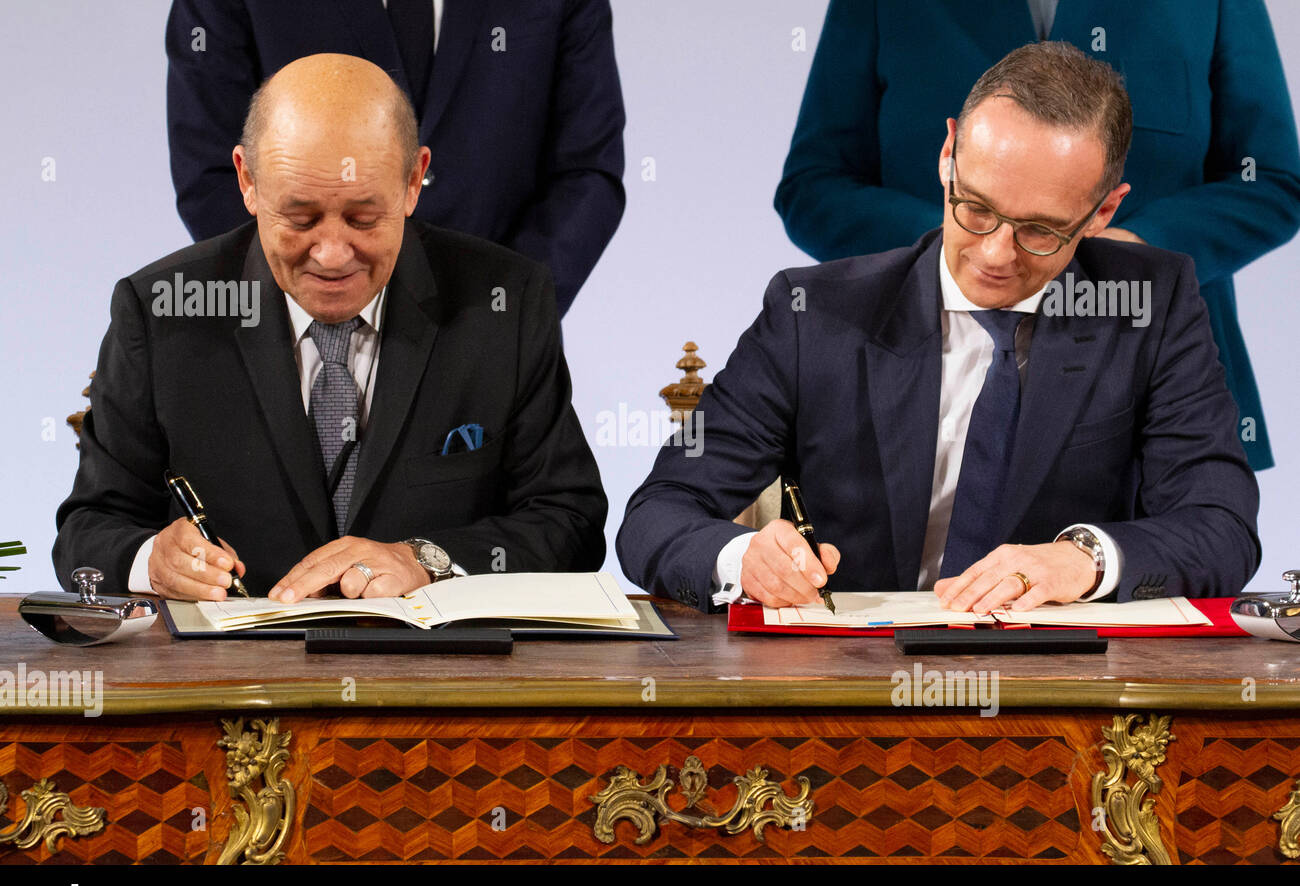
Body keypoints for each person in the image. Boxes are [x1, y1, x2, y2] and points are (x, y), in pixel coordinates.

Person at [618, 42, 1259, 614]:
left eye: (1040, 230)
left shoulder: (1151, 304)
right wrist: (740, 559)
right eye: (976, 208)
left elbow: (1222, 526)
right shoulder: (812, 312)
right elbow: (657, 512)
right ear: (948, 154)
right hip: (851, 683)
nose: (996, 253)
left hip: (1062, 686)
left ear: (1104, 211)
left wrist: (1083, 558)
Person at [54, 54, 606, 601]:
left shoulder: (505, 303)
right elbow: (88, 531)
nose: (334, 254)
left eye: (365, 218)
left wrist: (426, 561)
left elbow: (571, 524)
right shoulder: (160, 310)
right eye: (301, 218)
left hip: (442, 678)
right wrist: (153, 560)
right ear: (246, 180)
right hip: (232, 681)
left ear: (414, 181)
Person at [775, 0, 1300, 471]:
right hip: (917, 373)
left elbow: (1274, 182)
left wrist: (1134, 248)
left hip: (1150, 377)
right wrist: (959, 237)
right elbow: (814, 186)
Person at [166, 0, 626, 317]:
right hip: (301, 364)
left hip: (500, 373)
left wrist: (502, 311)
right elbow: (216, 172)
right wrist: (320, 305)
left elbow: (587, 169)